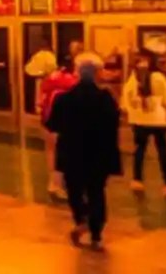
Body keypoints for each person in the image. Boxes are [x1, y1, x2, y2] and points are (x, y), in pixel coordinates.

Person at [45, 53, 122, 250]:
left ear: (78, 74)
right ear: (96, 73)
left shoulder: (64, 99)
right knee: (96, 191)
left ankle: (81, 220)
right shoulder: (105, 99)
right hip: (99, 155)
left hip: (72, 155)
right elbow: (114, 123)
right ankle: (96, 232)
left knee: (75, 191)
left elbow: (52, 125)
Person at [122, 50, 166, 199]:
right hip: (158, 120)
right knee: (163, 152)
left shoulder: (132, 78)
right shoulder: (158, 77)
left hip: (139, 121)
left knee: (140, 150)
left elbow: (126, 100)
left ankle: (137, 179)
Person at [37, 46, 80, 199]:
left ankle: (53, 184)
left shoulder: (46, 82)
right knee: (62, 154)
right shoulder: (68, 83)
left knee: (50, 152)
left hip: (47, 122)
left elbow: (39, 103)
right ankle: (59, 185)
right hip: (61, 124)